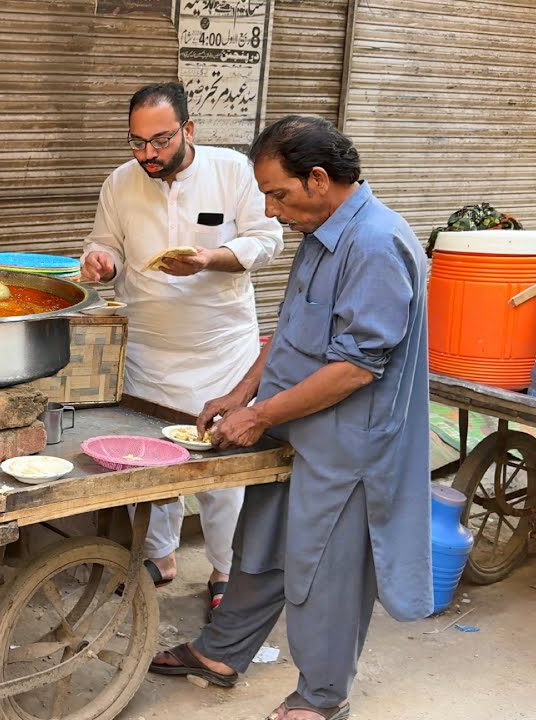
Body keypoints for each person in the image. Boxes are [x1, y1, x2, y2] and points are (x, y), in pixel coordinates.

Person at [148, 115, 432, 720]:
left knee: (325, 570)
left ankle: (323, 697)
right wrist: (240, 394)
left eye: (278, 193)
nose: (272, 211)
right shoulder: (322, 229)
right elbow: (293, 333)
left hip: (347, 442)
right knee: (263, 544)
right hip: (294, 425)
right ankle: (223, 652)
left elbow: (356, 367)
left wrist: (260, 415)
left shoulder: (376, 244)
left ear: (320, 179)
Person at [80, 82, 283, 613]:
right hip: (147, 347)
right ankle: (160, 556)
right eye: (137, 142)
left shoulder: (233, 170)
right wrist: (102, 263)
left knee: (223, 469)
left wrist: (211, 259)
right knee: (150, 462)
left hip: (222, 349)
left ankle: (224, 570)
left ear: (188, 130)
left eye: (161, 141)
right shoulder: (120, 183)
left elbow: (268, 240)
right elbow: (104, 244)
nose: (148, 154)